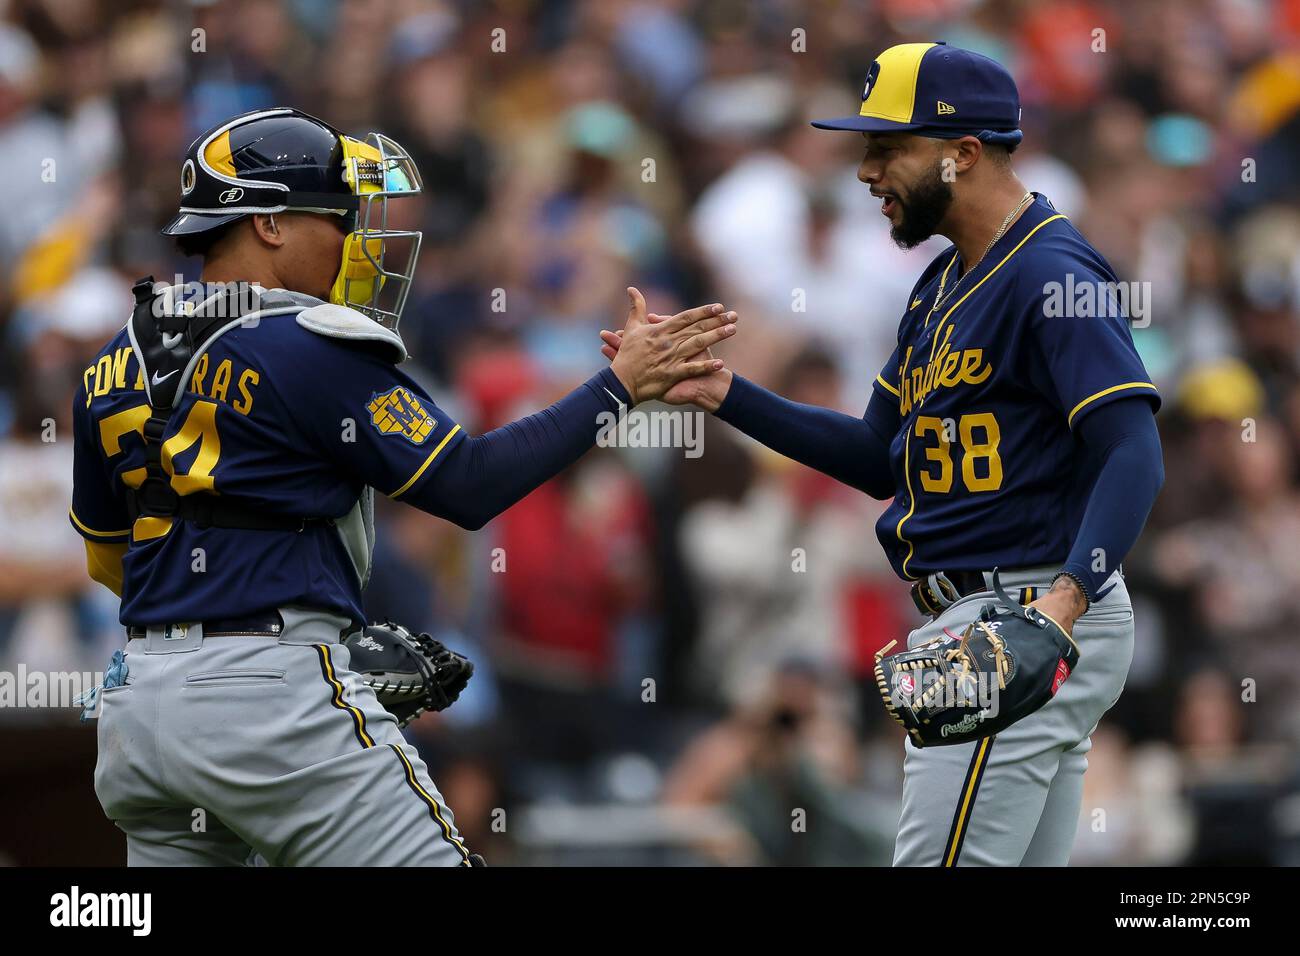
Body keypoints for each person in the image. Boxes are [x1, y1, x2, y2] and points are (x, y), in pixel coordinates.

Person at [70, 107, 737, 866]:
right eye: (337, 214)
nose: (354, 236)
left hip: (138, 712)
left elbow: (110, 561)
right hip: (266, 700)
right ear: (268, 225)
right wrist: (619, 386)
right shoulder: (306, 341)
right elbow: (468, 484)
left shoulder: (112, 357)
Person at [603, 43, 1164, 866]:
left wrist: (1064, 605)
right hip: (996, 608)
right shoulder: (942, 283)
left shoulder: (1049, 270)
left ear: (962, 153)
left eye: (884, 146)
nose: (864, 170)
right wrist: (725, 393)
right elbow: (877, 454)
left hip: (1025, 607)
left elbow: (1134, 450)